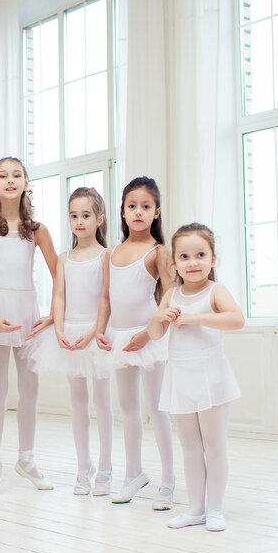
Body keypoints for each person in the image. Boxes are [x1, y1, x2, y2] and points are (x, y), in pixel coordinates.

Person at [0, 157, 58, 497]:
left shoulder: (38, 231)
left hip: (28, 312)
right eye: (2, 176)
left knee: (30, 388)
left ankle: (27, 459)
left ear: (25, 183)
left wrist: (53, 314)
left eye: (16, 175)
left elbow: (59, 273)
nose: (10, 180)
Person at [147, 223, 244, 531]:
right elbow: (154, 333)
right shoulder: (171, 294)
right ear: (174, 263)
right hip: (180, 377)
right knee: (190, 447)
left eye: (200, 255)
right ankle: (195, 509)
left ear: (213, 259)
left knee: (214, 446)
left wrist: (195, 317)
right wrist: (158, 318)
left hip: (210, 377)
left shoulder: (216, 291)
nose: (192, 262)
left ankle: (215, 510)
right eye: (185, 256)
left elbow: (236, 319)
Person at [95, 176, 176, 508]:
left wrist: (150, 332)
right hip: (120, 337)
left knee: (157, 409)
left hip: (149, 336)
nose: (138, 212)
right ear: (122, 212)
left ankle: (169, 479)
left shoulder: (159, 252)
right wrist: (101, 330)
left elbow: (171, 294)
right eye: (132, 206)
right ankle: (133, 474)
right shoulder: (111, 253)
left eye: (145, 207)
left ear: (157, 212)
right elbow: (105, 297)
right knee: (128, 408)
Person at [27, 187, 113, 495]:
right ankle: (82, 467)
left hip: (97, 332)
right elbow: (59, 295)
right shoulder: (64, 258)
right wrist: (59, 329)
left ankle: (105, 469)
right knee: (78, 402)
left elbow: (106, 298)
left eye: (86, 215)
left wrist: (94, 332)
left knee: (102, 400)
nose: (79, 221)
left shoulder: (106, 255)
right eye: (74, 216)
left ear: (99, 219)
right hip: (70, 333)